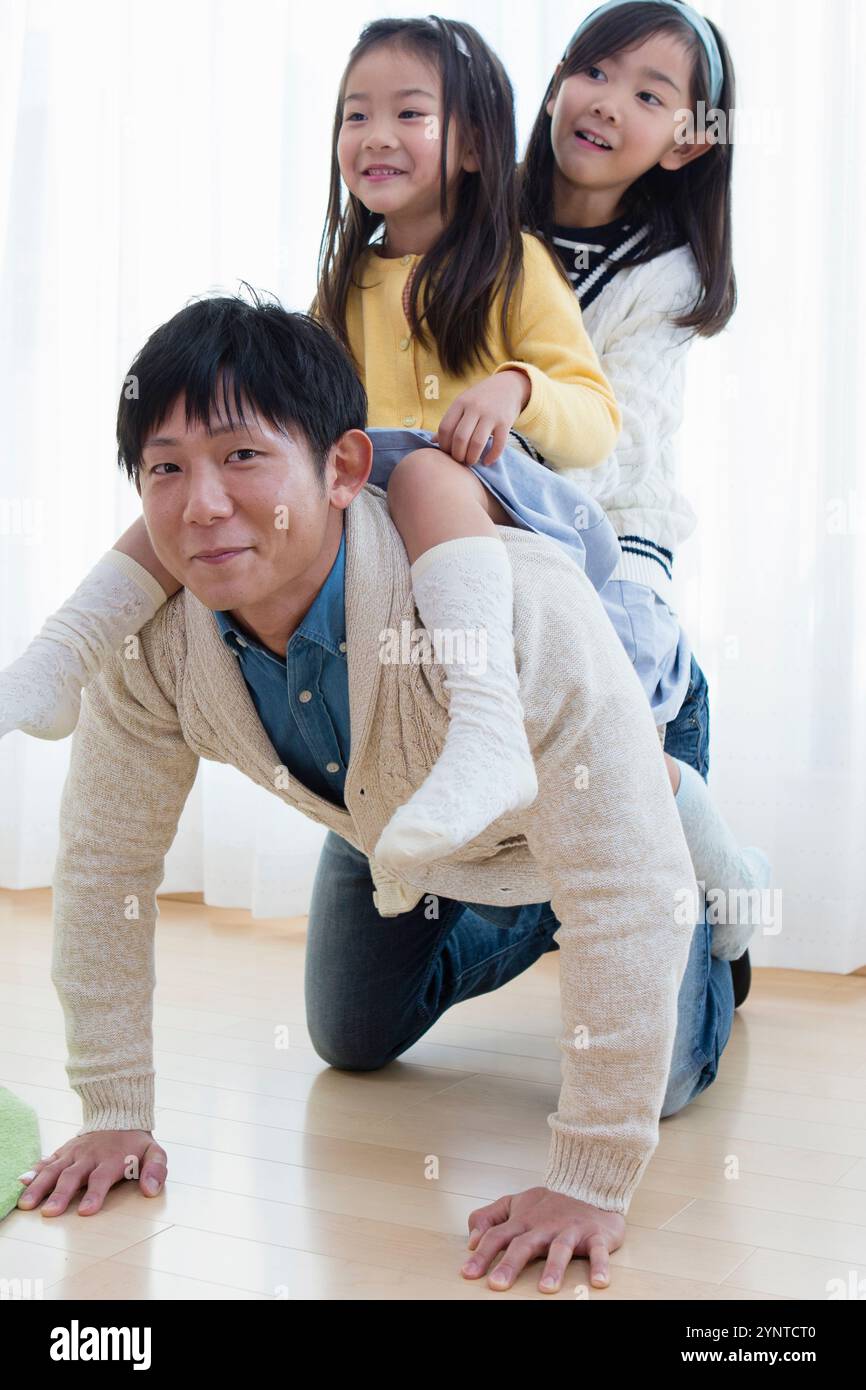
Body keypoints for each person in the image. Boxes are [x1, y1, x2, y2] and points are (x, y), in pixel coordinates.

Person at [0, 14, 765, 979]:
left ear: (474, 144)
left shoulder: (516, 264)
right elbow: (305, 415)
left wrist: (518, 387)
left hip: (508, 511)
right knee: (203, 481)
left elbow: (601, 421)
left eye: (410, 113)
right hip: (380, 525)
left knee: (430, 470)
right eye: (356, 113)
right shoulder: (354, 276)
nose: (376, 134)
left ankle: (513, 746)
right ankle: (61, 654)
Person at [17, 295, 731, 1296]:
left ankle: (685, 845)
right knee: (349, 1038)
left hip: (620, 757)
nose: (202, 505)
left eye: (241, 457)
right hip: (394, 809)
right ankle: (535, 903)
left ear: (345, 468)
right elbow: (105, 865)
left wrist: (589, 1176)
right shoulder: (153, 645)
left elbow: (622, 881)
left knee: (655, 1067)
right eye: (166, 468)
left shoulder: (518, 610)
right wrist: (112, 1108)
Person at [518, 0, 770, 973]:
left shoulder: (664, 275)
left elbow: (609, 444)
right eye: (593, 70)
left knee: (606, 719)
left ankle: (712, 861)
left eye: (647, 93)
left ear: (683, 142)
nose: (605, 102)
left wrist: (503, 415)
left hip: (614, 536)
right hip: (476, 519)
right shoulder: (486, 217)